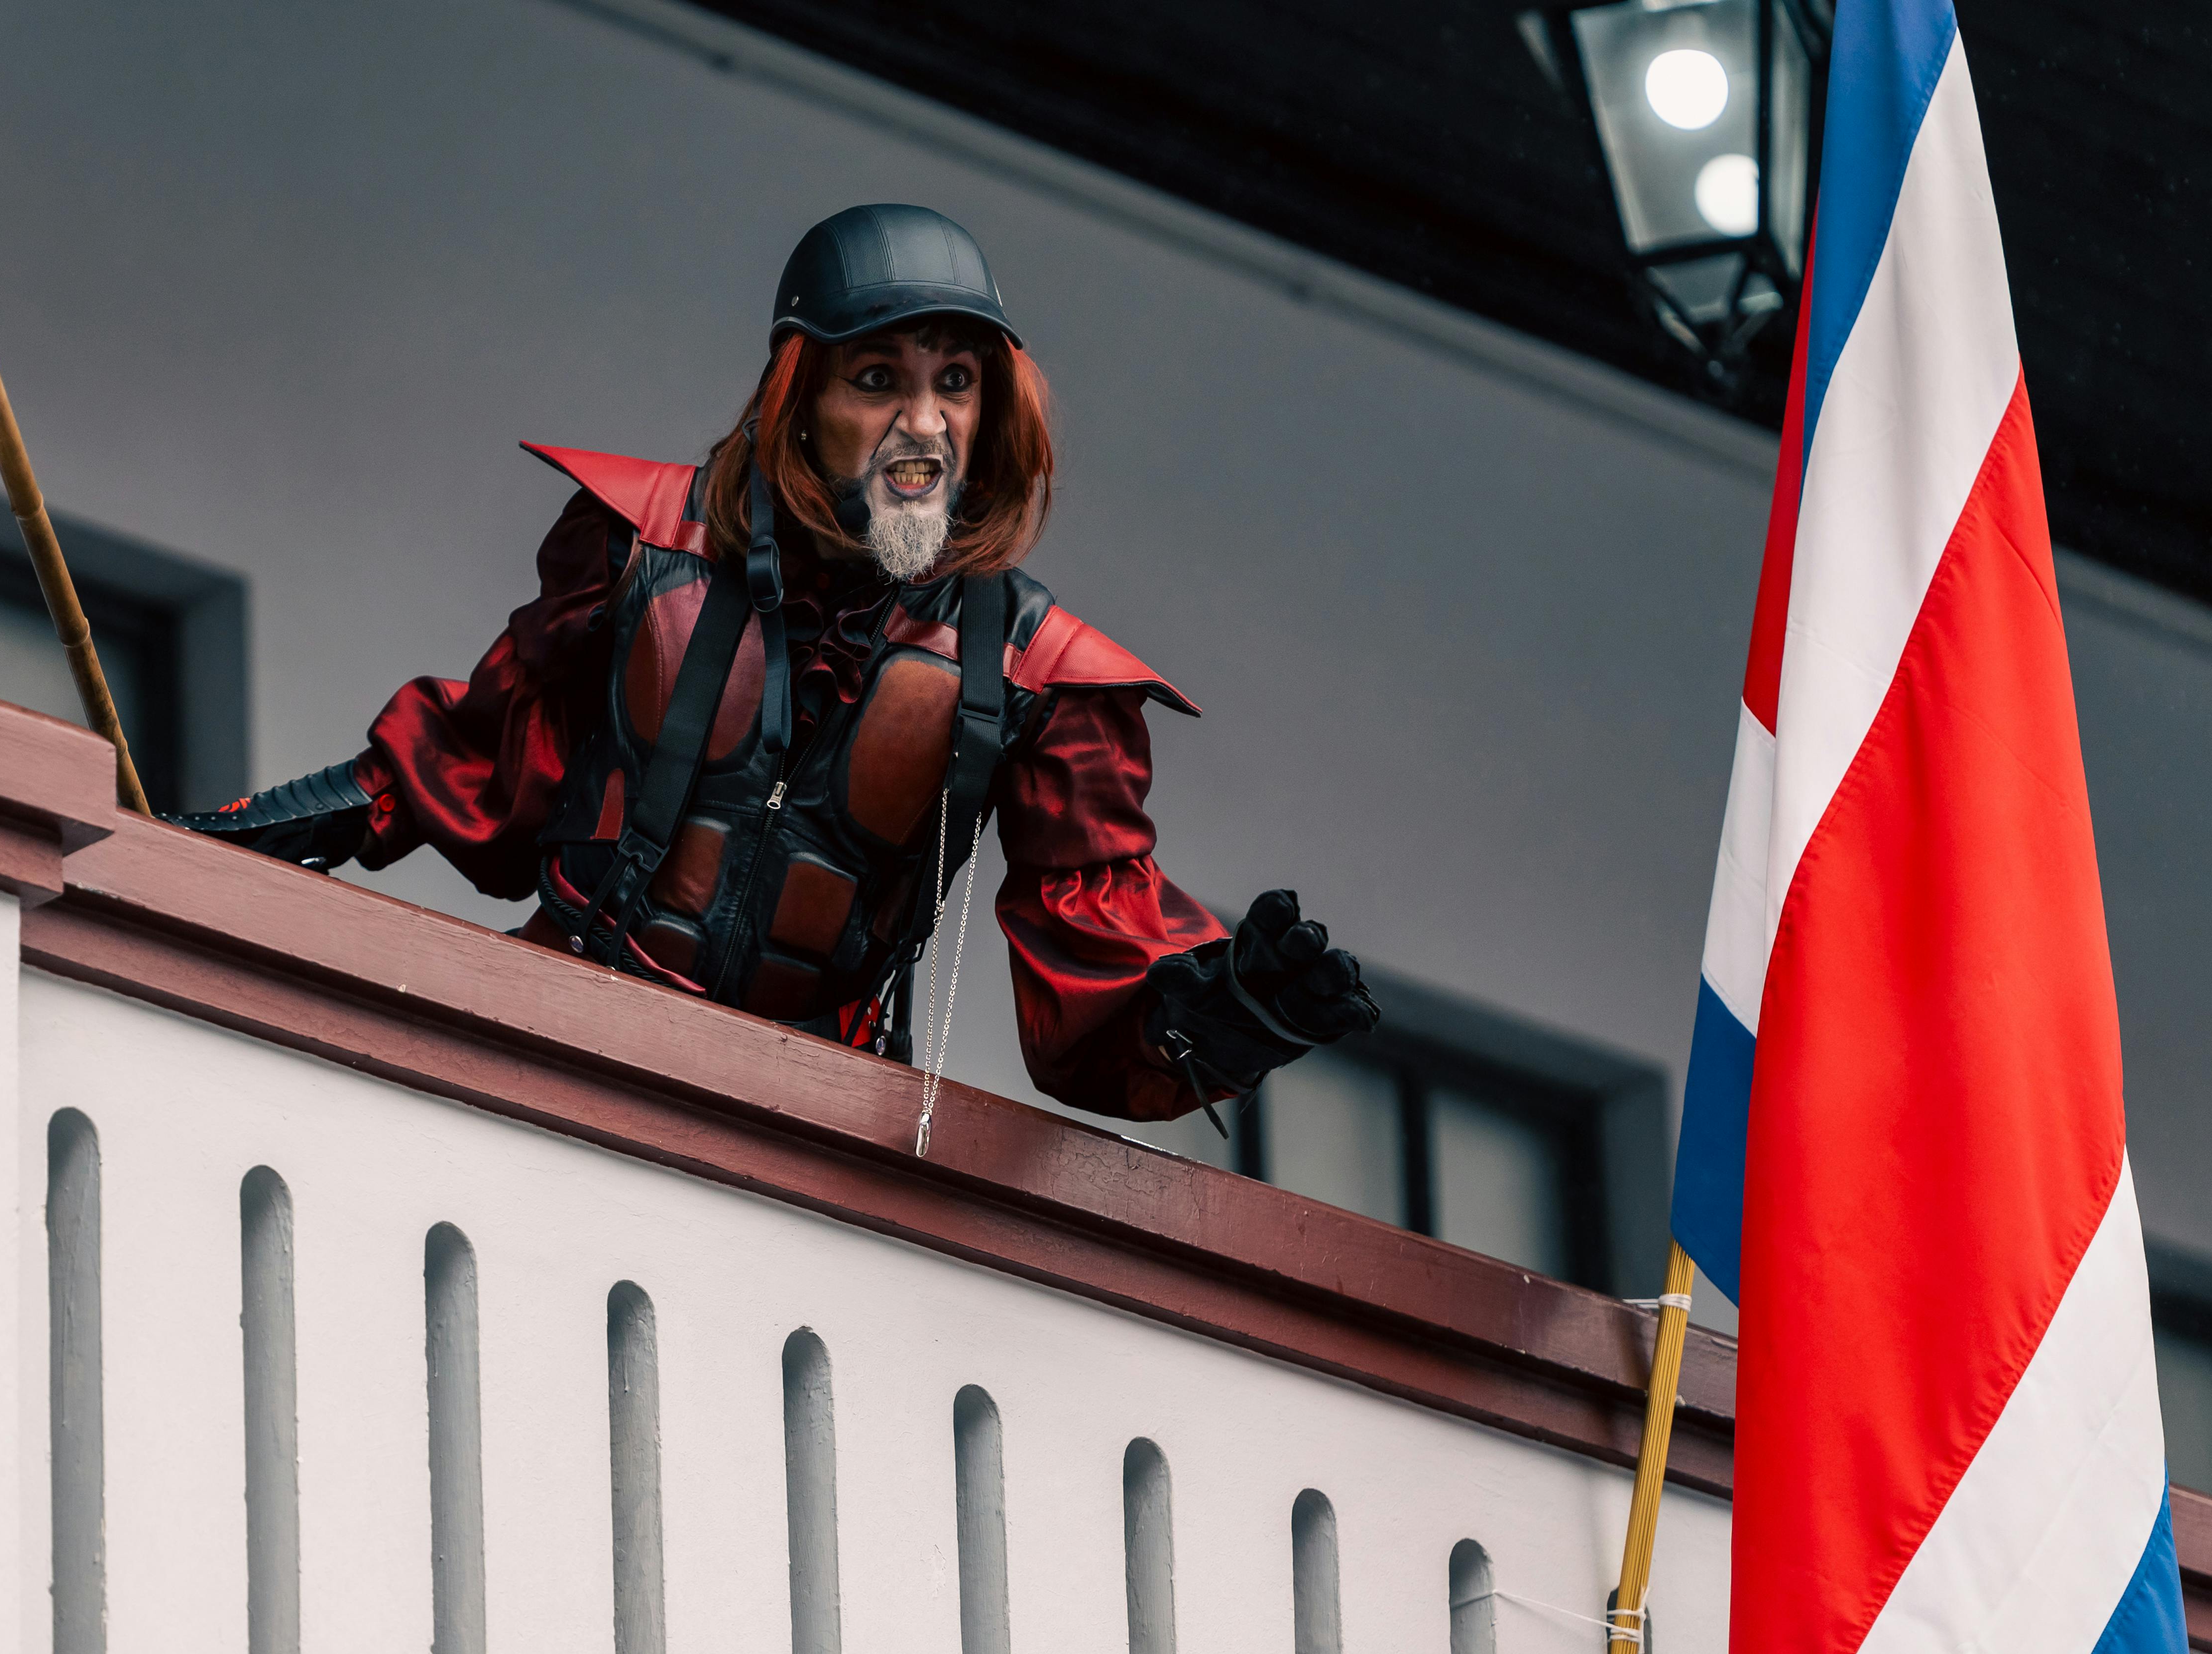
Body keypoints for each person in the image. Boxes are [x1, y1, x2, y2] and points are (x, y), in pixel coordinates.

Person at [174, 204, 1377, 1125]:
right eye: (878, 380)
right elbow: (483, 761)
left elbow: (1094, 981)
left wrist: (1229, 1012)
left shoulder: (1047, 680)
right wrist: (243, 840)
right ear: (801, 395)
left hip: (818, 1127)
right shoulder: (636, 546)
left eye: (955, 382)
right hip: (557, 1042)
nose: (923, 423)